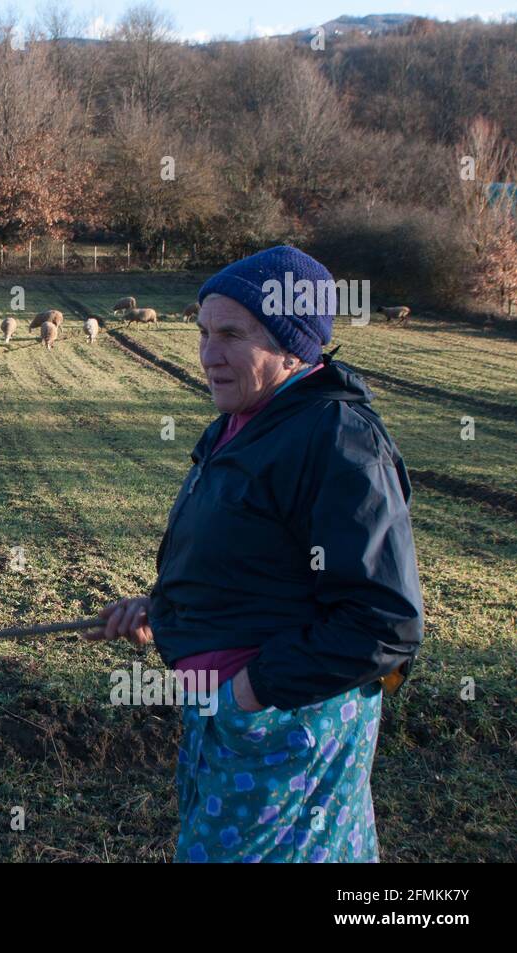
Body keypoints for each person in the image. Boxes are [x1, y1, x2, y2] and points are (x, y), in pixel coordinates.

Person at [99, 245, 424, 862]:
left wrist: (250, 693)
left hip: (281, 729)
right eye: (202, 332)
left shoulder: (335, 439)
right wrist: (168, 610)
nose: (207, 354)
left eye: (230, 334)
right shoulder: (241, 423)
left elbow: (383, 622)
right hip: (229, 723)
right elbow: (252, 562)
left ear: (292, 344)